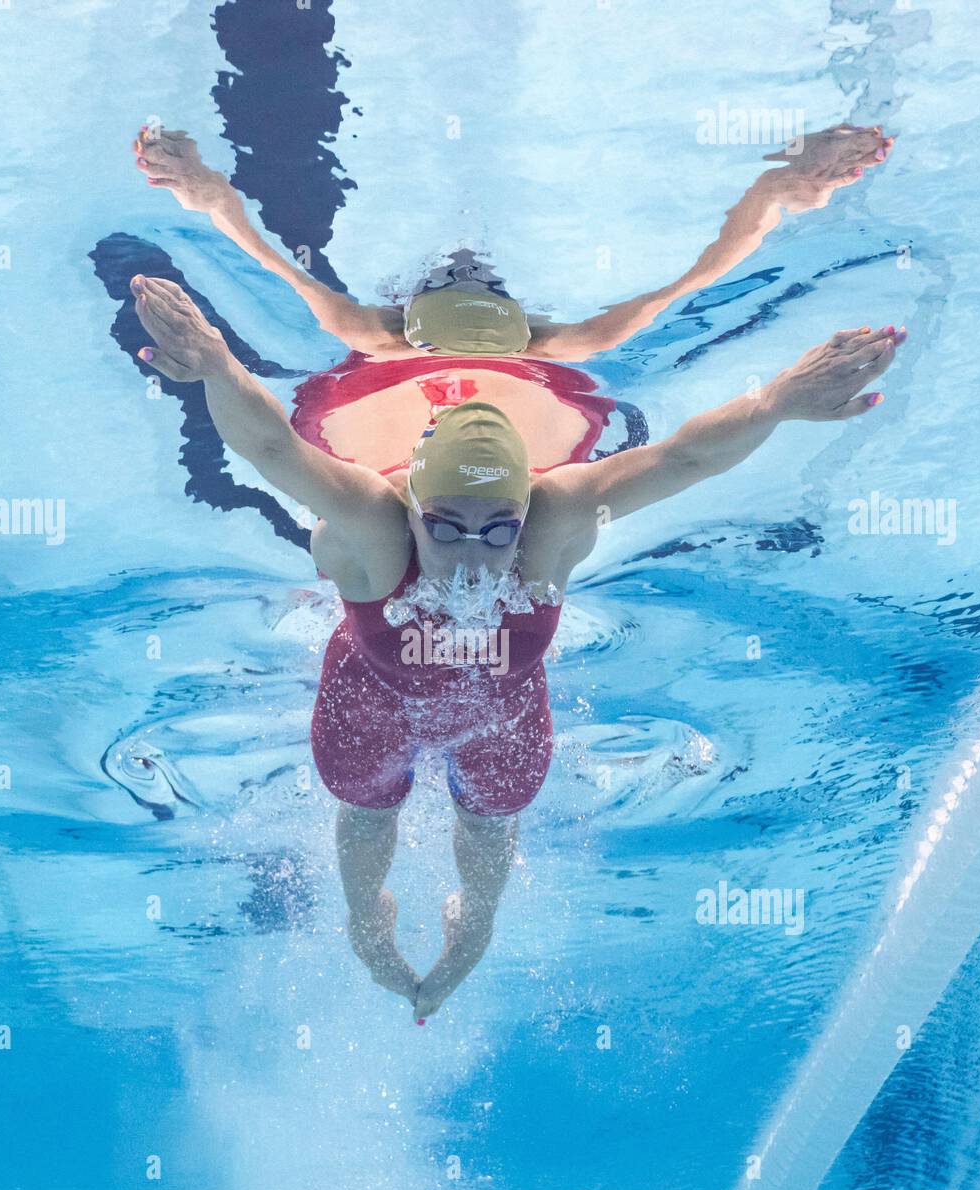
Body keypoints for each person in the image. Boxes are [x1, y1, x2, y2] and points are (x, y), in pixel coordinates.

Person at [128, 267, 904, 1020]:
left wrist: (773, 402)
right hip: (369, 697)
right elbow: (272, 452)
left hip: (501, 713)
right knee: (367, 819)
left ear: (524, 517)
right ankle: (366, 928)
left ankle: (475, 933)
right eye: (446, 527)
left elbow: (684, 458)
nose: (472, 553)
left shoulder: (556, 521)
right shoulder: (373, 523)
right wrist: (218, 365)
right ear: (414, 508)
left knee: (489, 824)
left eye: (498, 530)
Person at [133, 121, 893, 360]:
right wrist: (781, 195)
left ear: (409, 314)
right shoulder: (567, 343)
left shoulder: (371, 331)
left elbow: (273, 262)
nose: (467, 271)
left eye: (469, 284)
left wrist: (211, 195)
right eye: (483, 285)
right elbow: (685, 284)